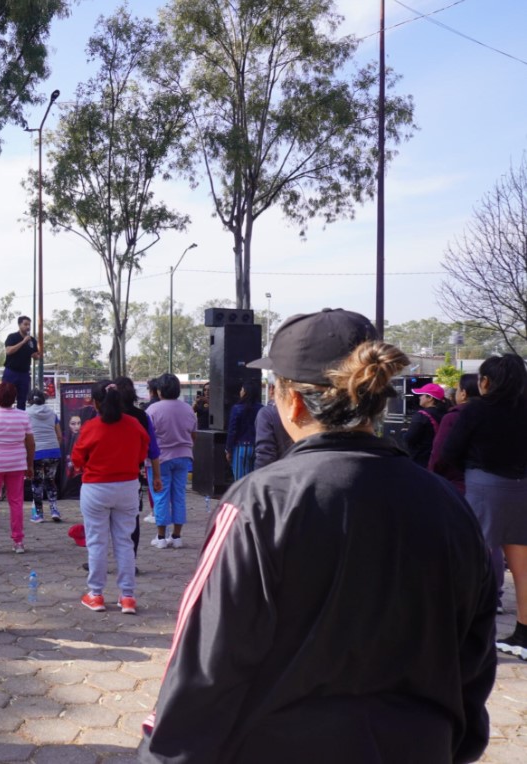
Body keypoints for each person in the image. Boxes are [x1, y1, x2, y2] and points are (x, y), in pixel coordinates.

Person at [140, 308, 495, 764]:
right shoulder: (450, 506)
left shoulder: (259, 503)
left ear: (292, 402)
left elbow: (207, 663)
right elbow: (473, 660)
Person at [441, 355, 527, 657]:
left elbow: (450, 451)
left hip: (484, 488)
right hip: (523, 489)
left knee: (474, 561)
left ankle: (465, 633)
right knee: (521, 568)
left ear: (486, 382)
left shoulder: (477, 409)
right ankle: (523, 635)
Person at [73, 380, 149, 615]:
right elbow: (143, 451)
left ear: (96, 403)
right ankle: (127, 597)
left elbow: (77, 457)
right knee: (124, 541)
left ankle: (95, 595)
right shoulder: (134, 424)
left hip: (96, 488)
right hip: (127, 487)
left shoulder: (90, 427)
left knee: (97, 541)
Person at [0, 382, 34, 554]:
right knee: (16, 502)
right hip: (16, 464)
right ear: (15, 398)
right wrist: (30, 464)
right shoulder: (23, 416)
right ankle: (18, 542)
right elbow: (30, 443)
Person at [146, 373, 196, 549]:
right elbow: (193, 434)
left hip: (160, 460)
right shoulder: (188, 409)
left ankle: (161, 537)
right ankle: (176, 536)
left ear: (159, 391)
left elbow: (147, 438)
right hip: (183, 456)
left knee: (160, 496)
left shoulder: (152, 410)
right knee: (179, 496)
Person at [115, 377, 162, 558]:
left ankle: (99, 563)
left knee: (100, 525)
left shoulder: (103, 415)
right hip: (131, 477)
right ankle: (129, 561)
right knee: (131, 521)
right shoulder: (142, 416)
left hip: (102, 479)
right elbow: (153, 450)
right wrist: (156, 477)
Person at [429, 374, 480, 495]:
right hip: (485, 483)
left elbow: (439, 453)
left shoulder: (453, 417)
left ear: (463, 393)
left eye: (458, 389)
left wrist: (431, 474)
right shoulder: (491, 415)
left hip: (456, 485)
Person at [25, 389, 63, 522]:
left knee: (37, 483)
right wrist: (53, 446)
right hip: (53, 451)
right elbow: (59, 435)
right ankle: (54, 511)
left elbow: (26, 436)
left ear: (29, 400)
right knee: (50, 481)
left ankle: (39, 515)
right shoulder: (52, 413)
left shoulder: (26, 414)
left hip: (37, 452)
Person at [405, 382, 449, 469]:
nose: (420, 397)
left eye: (422, 395)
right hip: (440, 460)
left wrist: (404, 433)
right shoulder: (447, 414)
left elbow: (409, 438)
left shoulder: (421, 416)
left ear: (430, 398)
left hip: (421, 461)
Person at [2, 316, 41, 411]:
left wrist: (37, 356)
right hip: (11, 372)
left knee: (22, 399)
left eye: (29, 325)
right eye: (25, 324)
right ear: (19, 325)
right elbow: (9, 351)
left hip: (24, 373)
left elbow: (34, 355)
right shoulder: (12, 337)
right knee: (6, 396)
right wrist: (23, 342)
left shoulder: (32, 340)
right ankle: (5, 419)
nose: (28, 327)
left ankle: (20, 420)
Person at [225, 380, 261, 480]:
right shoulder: (261, 409)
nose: (240, 392)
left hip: (241, 447)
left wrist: (228, 449)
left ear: (245, 392)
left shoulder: (237, 408)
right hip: (257, 447)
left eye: (241, 390)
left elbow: (232, 430)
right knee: (253, 479)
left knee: (240, 480)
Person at [253, 381, 293, 469]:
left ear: (271, 389)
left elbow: (265, 456)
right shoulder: (303, 413)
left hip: (277, 475)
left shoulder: (266, 414)